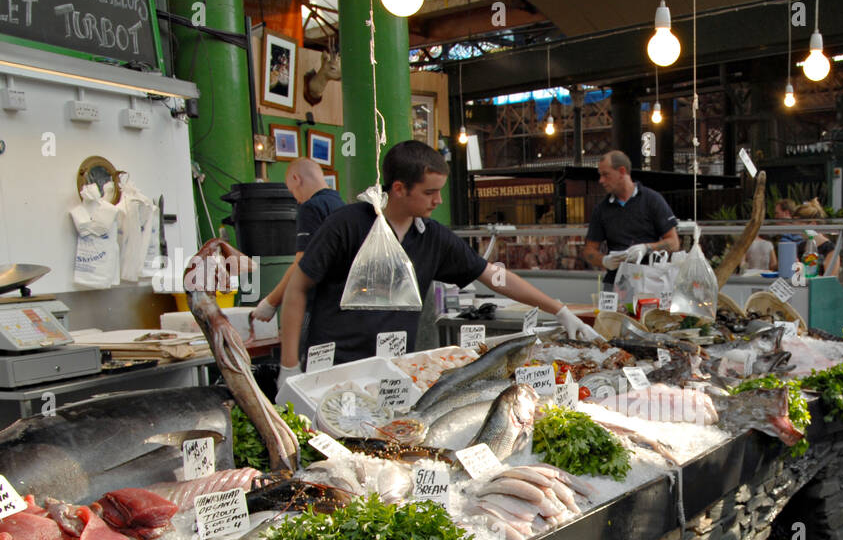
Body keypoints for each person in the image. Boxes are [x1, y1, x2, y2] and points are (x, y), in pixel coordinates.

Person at [276, 141, 600, 398]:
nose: (438, 200)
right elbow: (297, 289)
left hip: (394, 370)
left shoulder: (432, 236)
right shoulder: (347, 224)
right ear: (400, 188)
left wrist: (559, 310)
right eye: (429, 192)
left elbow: (494, 276)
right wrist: (289, 367)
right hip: (333, 368)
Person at [248, 158, 344, 339]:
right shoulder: (341, 205)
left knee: (308, 363)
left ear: (295, 178)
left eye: (292, 191)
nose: (296, 198)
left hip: (317, 309)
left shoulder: (311, 207)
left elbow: (303, 262)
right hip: (338, 310)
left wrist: (271, 302)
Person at [581, 151, 680, 286]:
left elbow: (674, 243)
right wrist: (604, 260)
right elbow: (589, 250)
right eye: (600, 175)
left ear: (622, 171)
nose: (601, 181)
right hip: (615, 283)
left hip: (650, 282)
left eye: (605, 175)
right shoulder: (601, 209)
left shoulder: (652, 199)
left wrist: (647, 248)